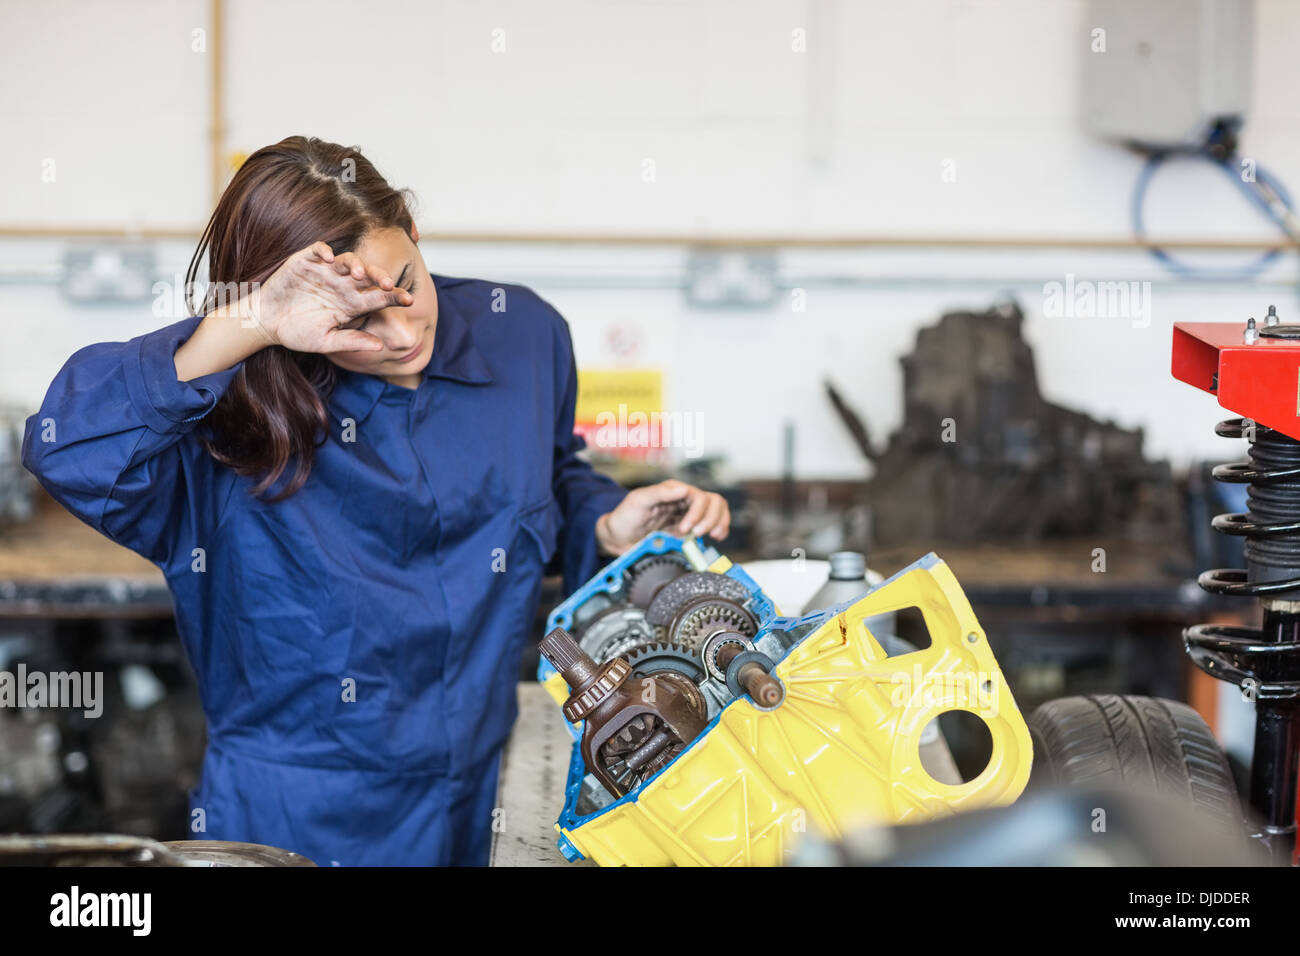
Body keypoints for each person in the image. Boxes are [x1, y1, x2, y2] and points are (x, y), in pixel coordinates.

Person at [21, 135, 730, 866]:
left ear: (414, 234)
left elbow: (548, 478)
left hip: (482, 793)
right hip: (297, 816)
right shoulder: (226, 414)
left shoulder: (521, 334)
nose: (401, 334)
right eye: (356, 320)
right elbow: (67, 448)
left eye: (405, 286)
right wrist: (252, 324)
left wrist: (605, 523)